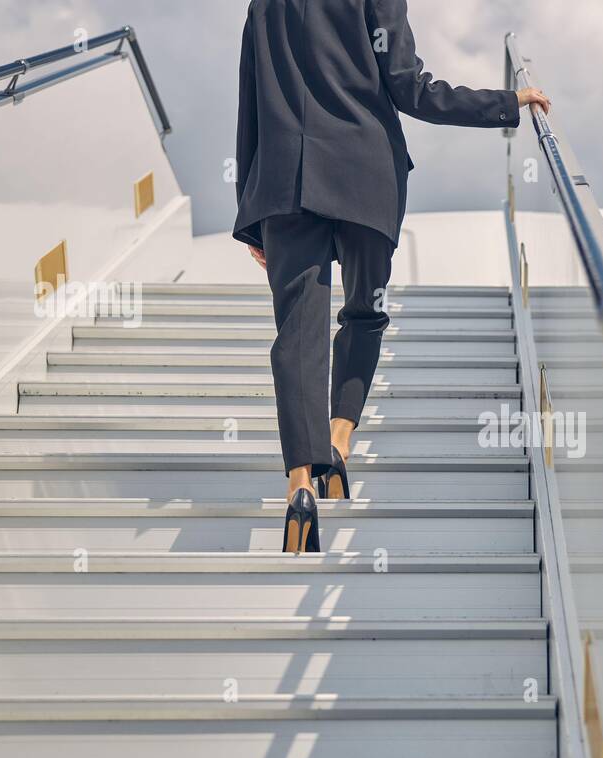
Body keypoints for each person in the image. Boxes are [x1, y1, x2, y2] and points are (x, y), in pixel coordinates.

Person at [234, 0, 550, 554]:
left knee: (298, 333)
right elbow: (410, 88)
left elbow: (250, 110)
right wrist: (505, 103)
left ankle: (300, 485)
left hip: (284, 185)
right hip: (366, 176)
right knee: (364, 313)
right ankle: (339, 443)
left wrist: (251, 212)